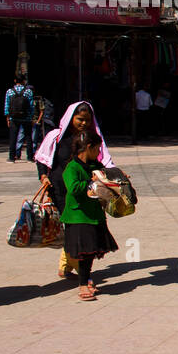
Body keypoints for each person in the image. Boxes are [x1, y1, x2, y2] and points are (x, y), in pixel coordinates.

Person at [37, 102, 117, 278]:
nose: (83, 123)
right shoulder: (55, 137)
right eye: (80, 119)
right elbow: (42, 160)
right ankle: (79, 271)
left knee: (76, 228)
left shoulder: (91, 139)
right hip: (60, 189)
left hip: (86, 190)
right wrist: (43, 177)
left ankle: (67, 266)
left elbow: (101, 161)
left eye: (87, 120)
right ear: (70, 117)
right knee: (73, 227)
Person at [60, 129, 119, 301]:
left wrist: (117, 178)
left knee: (90, 252)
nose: (99, 152)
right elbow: (74, 188)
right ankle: (83, 284)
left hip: (94, 215)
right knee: (84, 253)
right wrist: (91, 181)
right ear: (88, 147)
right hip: (78, 216)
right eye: (97, 149)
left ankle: (85, 279)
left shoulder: (96, 166)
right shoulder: (72, 167)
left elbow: (106, 176)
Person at [5, 76, 35, 162]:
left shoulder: (9, 91)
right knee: (29, 137)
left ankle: (12, 157)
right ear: (23, 81)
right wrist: (31, 117)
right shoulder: (28, 91)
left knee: (13, 137)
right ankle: (29, 157)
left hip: (13, 118)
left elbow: (7, 105)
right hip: (26, 118)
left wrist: (8, 118)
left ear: (15, 81)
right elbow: (31, 106)